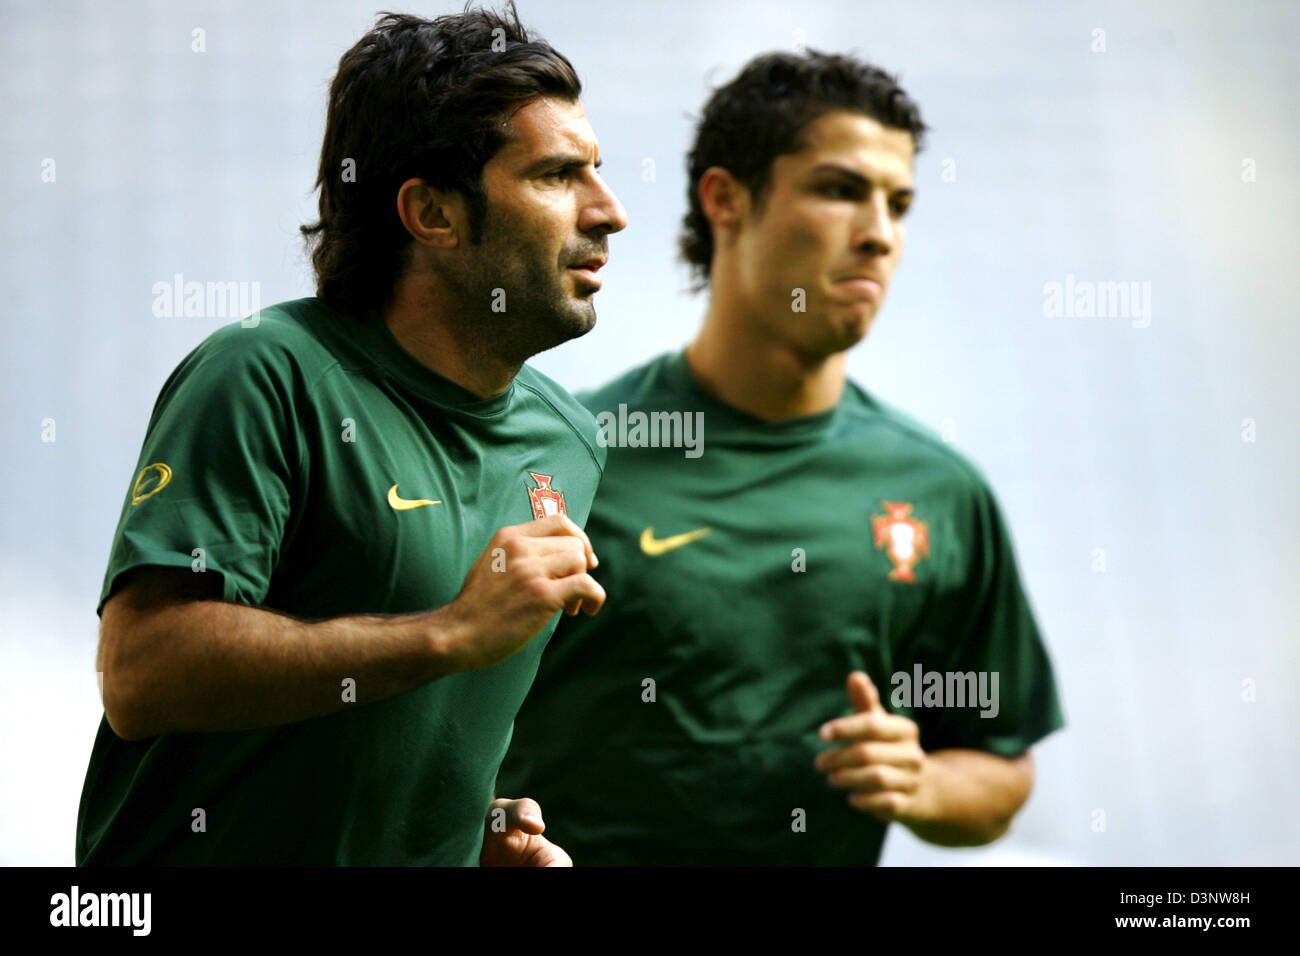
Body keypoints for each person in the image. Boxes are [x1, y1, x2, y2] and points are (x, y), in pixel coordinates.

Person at [76, 5, 627, 866]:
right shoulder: (265, 373)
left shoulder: (570, 443)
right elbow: (143, 672)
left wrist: (459, 829)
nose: (610, 211)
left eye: (597, 171)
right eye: (558, 176)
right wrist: (448, 631)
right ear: (432, 214)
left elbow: (377, 740)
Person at [498, 50, 1065, 865]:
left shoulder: (939, 491)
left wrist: (920, 784)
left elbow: (1000, 768)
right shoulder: (566, 459)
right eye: (840, 190)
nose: (878, 235)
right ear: (725, 200)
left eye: (898, 204)